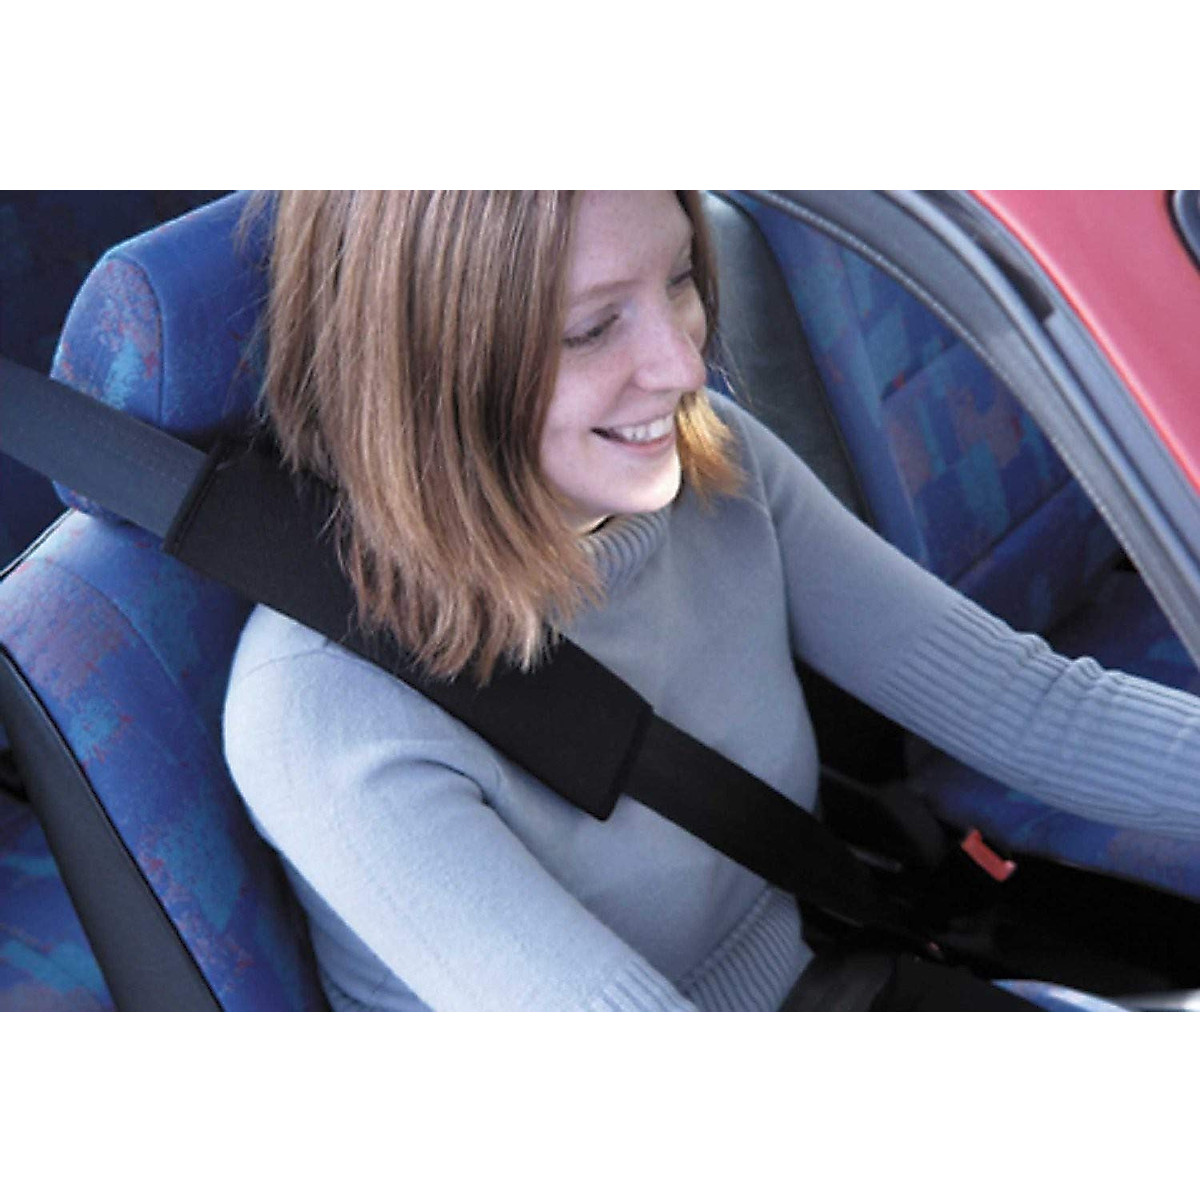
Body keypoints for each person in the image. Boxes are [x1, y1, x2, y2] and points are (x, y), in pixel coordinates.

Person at [223, 190, 1200, 1011]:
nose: (685, 366)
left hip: (835, 982)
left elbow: (1030, 706)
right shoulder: (320, 711)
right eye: (592, 328)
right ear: (428, 366)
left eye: (681, 278)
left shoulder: (712, 466)